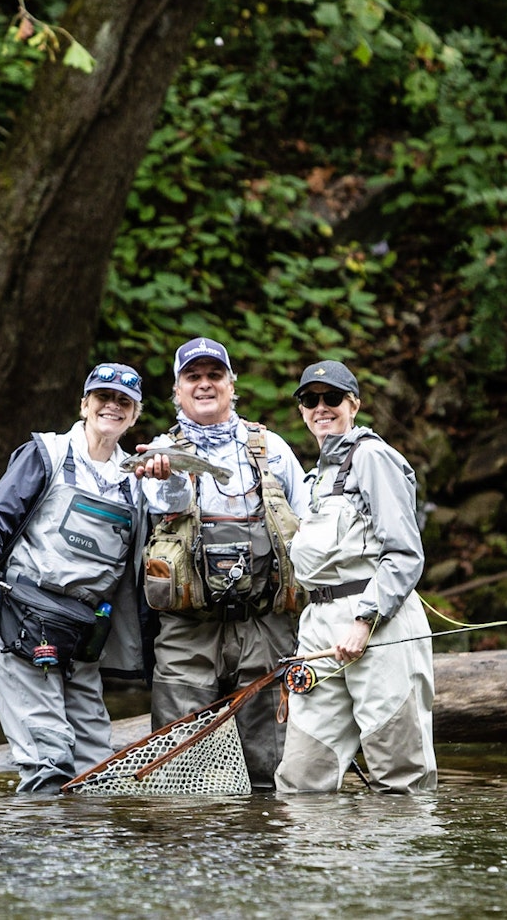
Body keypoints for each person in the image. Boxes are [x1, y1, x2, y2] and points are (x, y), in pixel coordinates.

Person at [0, 363, 148, 794]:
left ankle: (85, 859)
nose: (111, 406)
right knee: (49, 762)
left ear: (134, 415)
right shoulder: (44, 454)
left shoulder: (139, 481)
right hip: (19, 621)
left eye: (123, 402)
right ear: (84, 404)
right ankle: (40, 856)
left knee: (96, 769)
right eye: (103, 397)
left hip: (82, 635)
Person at [135, 337, 308, 789]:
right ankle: (187, 850)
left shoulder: (271, 448)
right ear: (177, 390)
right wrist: (168, 475)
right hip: (187, 626)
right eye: (193, 377)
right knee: (178, 765)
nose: (205, 384)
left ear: (233, 385)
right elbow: (166, 504)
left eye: (215, 376)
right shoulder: (159, 451)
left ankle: (266, 843)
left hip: (266, 622)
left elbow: (310, 522)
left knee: (271, 761)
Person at [274, 360, 437, 794]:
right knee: (302, 777)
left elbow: (404, 554)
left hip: (378, 620)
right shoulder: (316, 477)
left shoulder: (374, 457)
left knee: (399, 773)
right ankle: (316, 863)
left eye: (333, 398)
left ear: (354, 405)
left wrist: (365, 620)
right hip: (320, 626)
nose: (321, 407)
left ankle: (396, 861)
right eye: (311, 399)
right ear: (303, 409)